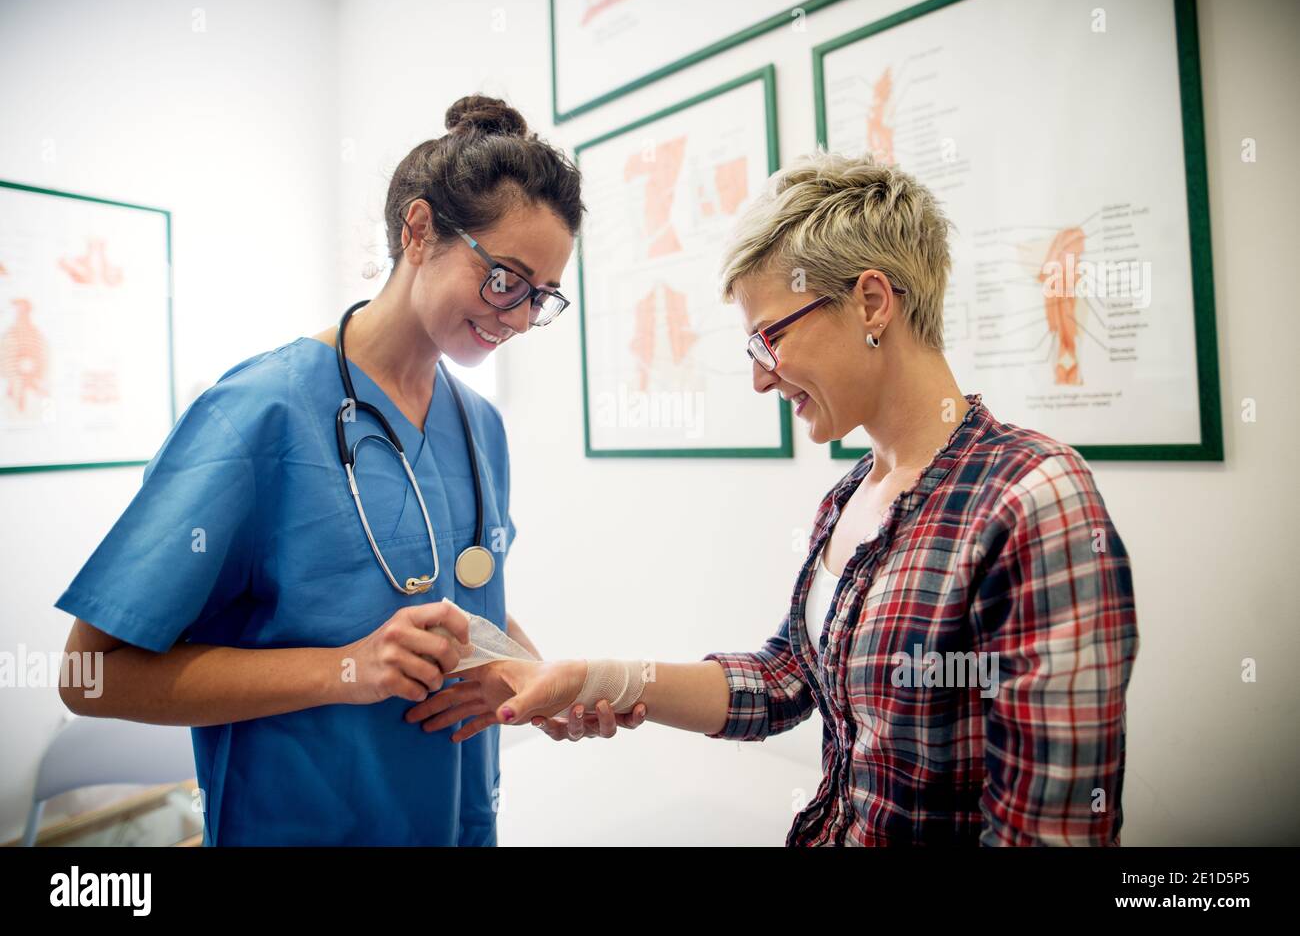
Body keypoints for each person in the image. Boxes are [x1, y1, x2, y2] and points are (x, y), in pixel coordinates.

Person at [421, 150, 1141, 846]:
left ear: (871, 301)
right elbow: (784, 679)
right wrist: (588, 677)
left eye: (770, 338)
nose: (763, 378)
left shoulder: (1032, 499)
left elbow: (1049, 832)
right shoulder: (850, 496)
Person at [55, 95, 642, 846]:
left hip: (459, 821)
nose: (522, 318)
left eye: (543, 297)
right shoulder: (257, 415)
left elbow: (463, 601)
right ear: (420, 230)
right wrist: (347, 668)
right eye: (505, 280)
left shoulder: (479, 426)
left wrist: (535, 679)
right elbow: (89, 675)